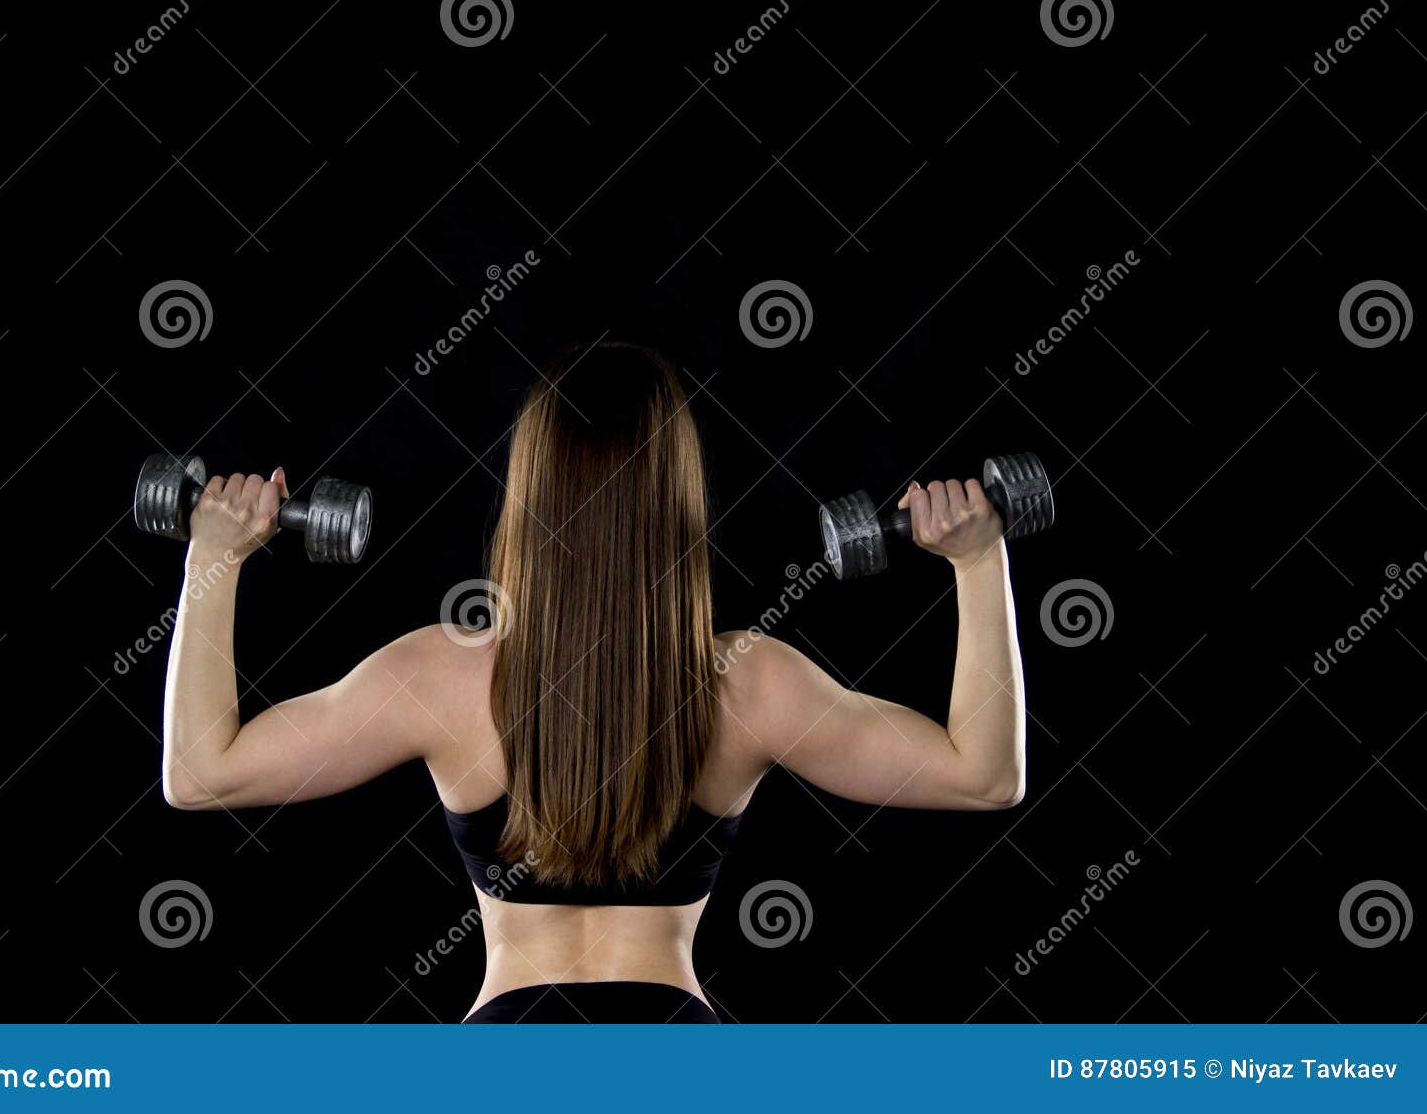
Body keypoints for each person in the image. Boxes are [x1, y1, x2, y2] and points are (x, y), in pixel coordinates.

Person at [159, 343, 1025, 1022]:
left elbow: (200, 774)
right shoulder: (751, 682)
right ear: (678, 501)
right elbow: (984, 777)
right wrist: (980, 561)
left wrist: (214, 558)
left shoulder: (438, 674)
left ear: (528, 498)